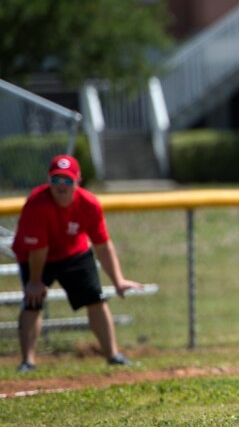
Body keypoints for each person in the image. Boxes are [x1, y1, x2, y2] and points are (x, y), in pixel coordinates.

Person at [11, 155, 142, 372]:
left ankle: (113, 355)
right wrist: (35, 282)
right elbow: (38, 249)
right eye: (56, 180)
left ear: (77, 181)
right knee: (32, 302)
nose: (61, 186)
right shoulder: (37, 203)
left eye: (67, 181)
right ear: (48, 181)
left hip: (74, 252)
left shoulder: (89, 204)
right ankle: (28, 361)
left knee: (96, 299)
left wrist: (118, 280)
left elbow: (102, 245)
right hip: (35, 256)